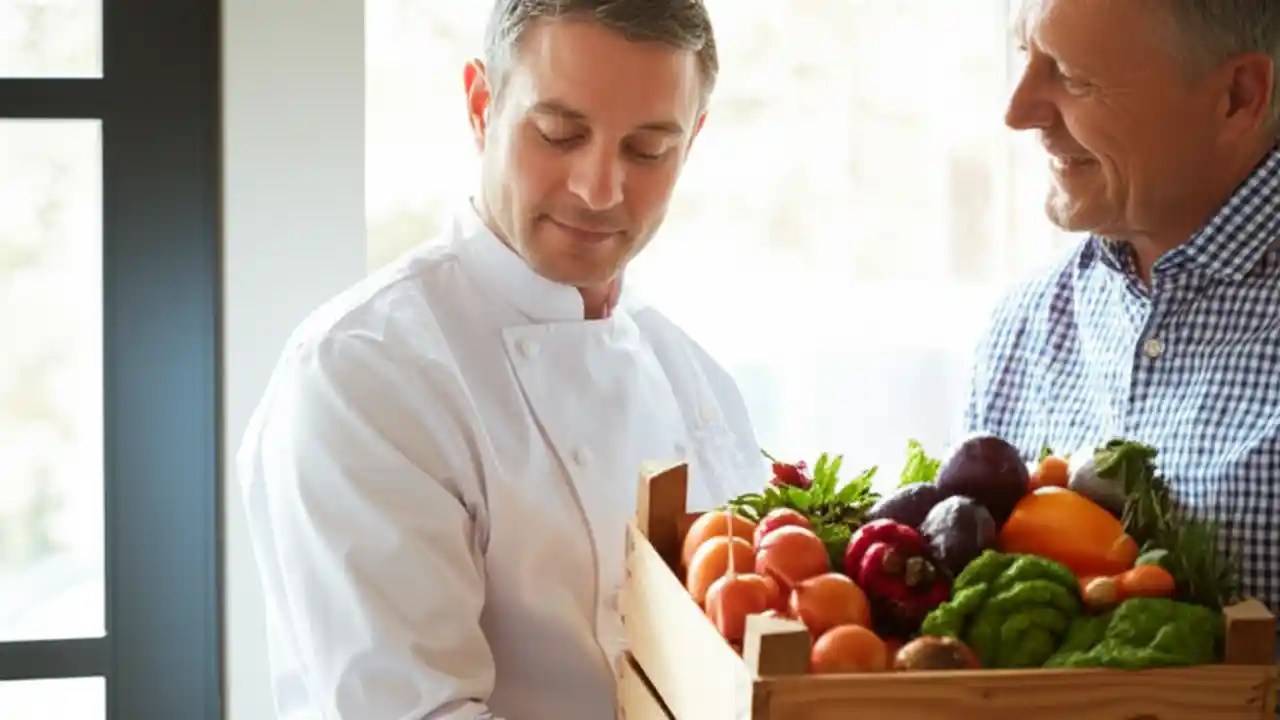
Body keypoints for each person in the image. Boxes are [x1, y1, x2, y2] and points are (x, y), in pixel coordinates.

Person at [236, 1, 763, 718]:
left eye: (647, 150)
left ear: (692, 141)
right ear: (482, 105)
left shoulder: (692, 375)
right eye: (559, 133)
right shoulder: (364, 374)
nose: (599, 188)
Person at [967, 0, 1280, 633]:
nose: (1018, 111)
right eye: (1026, 55)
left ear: (1237, 97)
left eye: (1074, 78)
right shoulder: (1023, 326)